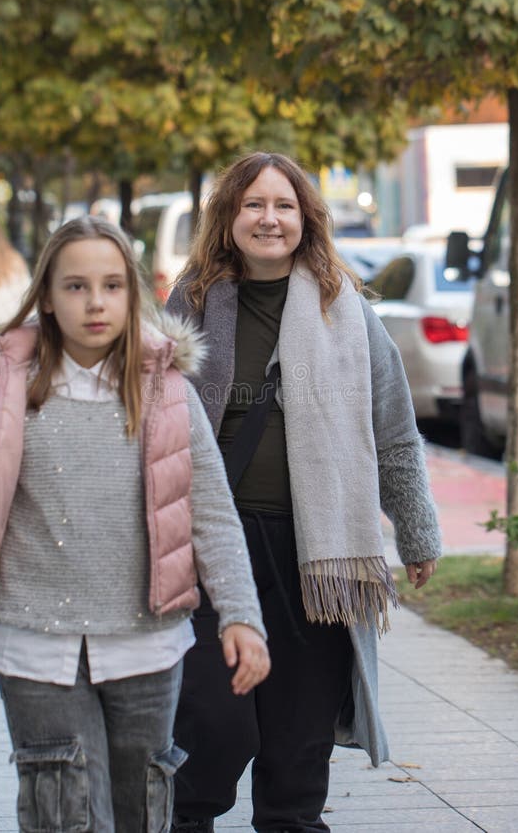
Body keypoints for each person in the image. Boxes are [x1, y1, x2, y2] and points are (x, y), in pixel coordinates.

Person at [0, 215, 270, 833]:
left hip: (146, 643)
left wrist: (241, 615)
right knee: (65, 817)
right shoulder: (4, 386)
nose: (95, 302)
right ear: (45, 295)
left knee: (140, 812)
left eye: (111, 285)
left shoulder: (166, 388)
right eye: (75, 286)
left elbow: (209, 511)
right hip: (33, 643)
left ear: (132, 292)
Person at [166, 152, 442, 833]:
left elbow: (395, 434)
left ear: (306, 218)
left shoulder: (347, 313)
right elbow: (146, 426)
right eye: (253, 205)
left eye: (283, 205)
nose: (269, 218)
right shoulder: (190, 306)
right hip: (209, 552)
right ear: (229, 218)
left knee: (296, 754)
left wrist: (417, 531)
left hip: (313, 558)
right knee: (212, 729)